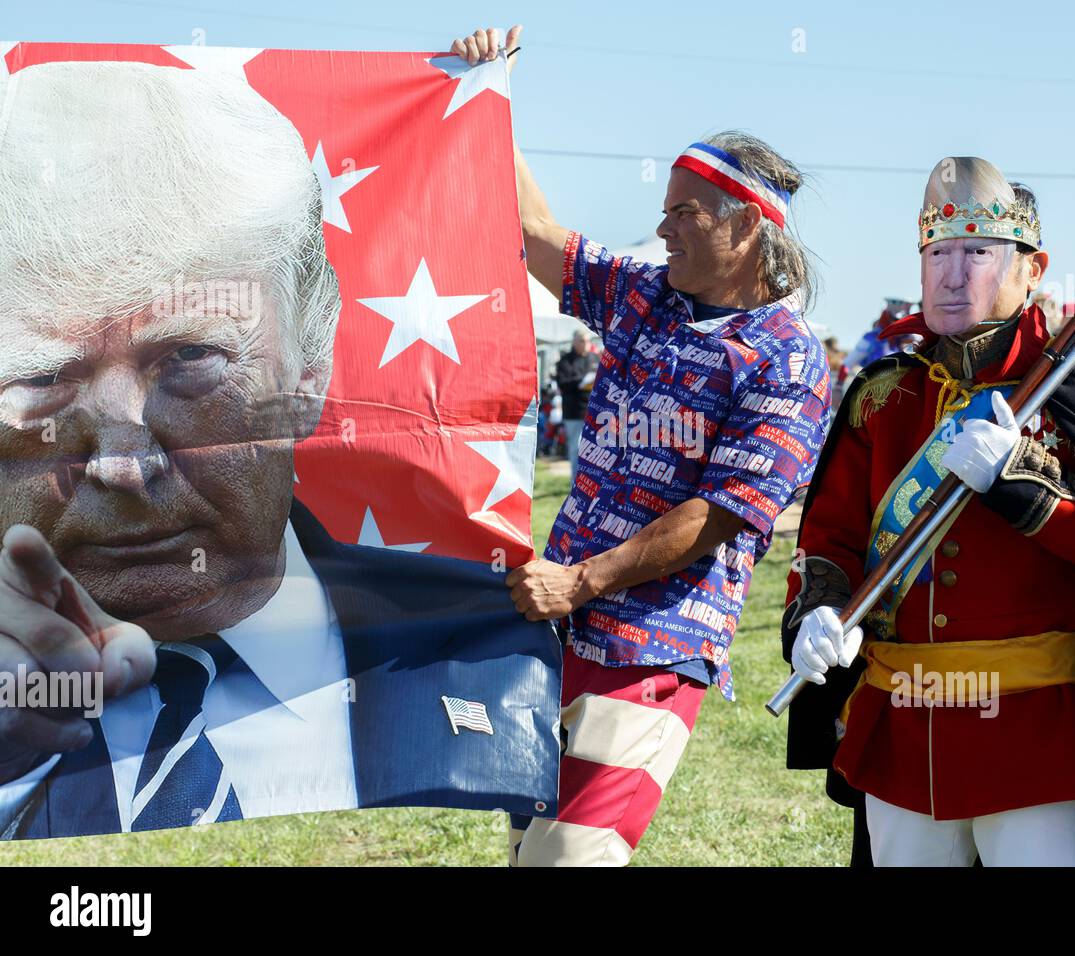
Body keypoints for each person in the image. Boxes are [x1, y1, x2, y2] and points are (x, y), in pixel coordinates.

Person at [0, 61, 559, 839]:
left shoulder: (479, 645)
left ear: (311, 359)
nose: (124, 465)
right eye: (38, 377)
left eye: (191, 358)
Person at [783, 157, 1075, 866]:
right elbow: (831, 537)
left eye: (978, 252)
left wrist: (1024, 486)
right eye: (937, 252)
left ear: (1035, 270)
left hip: (1039, 736)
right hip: (900, 734)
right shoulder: (883, 395)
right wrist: (820, 606)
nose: (952, 273)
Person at [450, 26, 831, 866]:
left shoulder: (789, 357)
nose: (661, 229)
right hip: (559, 632)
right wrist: (489, 90)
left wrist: (580, 581)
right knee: (531, 855)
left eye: (683, 212)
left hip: (651, 649)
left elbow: (722, 514)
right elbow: (530, 228)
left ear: (749, 229)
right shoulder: (644, 294)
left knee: (568, 861)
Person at [553, 330, 599, 473]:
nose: (586, 344)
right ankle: (576, 485)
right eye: (582, 341)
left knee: (595, 450)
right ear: (574, 342)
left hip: (594, 411)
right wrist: (582, 382)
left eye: (587, 340)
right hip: (574, 412)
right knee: (576, 448)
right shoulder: (565, 361)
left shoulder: (594, 358)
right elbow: (562, 383)